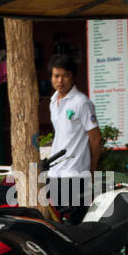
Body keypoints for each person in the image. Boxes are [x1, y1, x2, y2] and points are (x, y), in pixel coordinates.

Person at [46, 54, 102, 221]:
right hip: (55, 172)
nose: (60, 80)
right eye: (56, 76)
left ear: (72, 77)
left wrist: (91, 168)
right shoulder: (53, 101)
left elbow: (96, 138)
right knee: (57, 223)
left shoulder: (82, 102)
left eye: (65, 75)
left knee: (76, 223)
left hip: (75, 173)